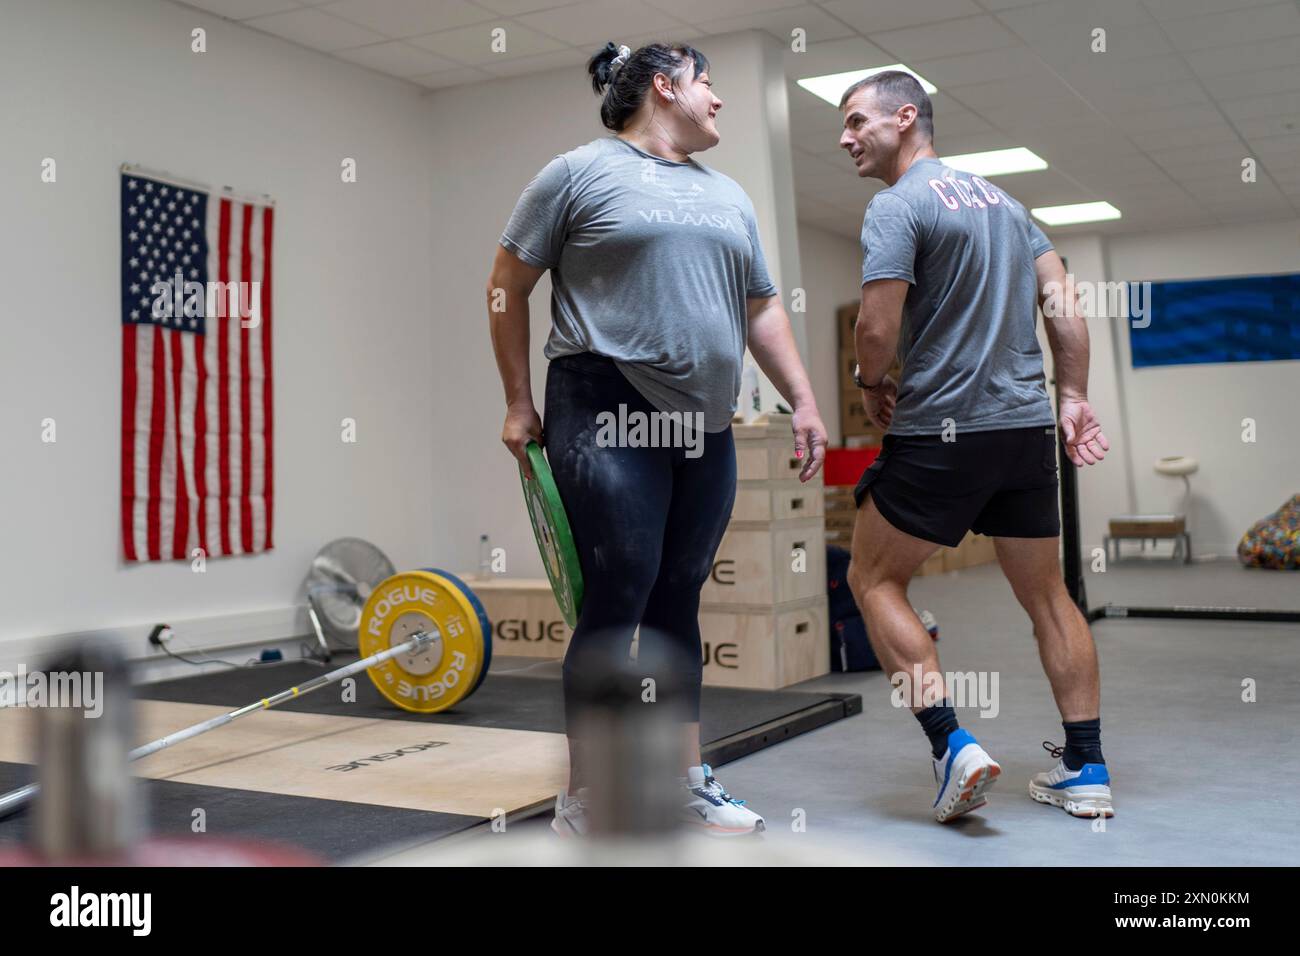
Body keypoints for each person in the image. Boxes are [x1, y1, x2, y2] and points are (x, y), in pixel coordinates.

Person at [487, 41, 828, 836]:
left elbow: (761, 308)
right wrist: (514, 401)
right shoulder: (577, 173)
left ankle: (686, 780)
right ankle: (586, 796)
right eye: (708, 83)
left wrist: (804, 401)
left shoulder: (730, 196)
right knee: (620, 592)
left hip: (702, 421)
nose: (719, 99)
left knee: (680, 595)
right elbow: (507, 284)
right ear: (665, 87)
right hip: (604, 403)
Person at [837, 71, 1113, 822]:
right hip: (1024, 432)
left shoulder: (897, 205)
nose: (846, 135)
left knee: (872, 579)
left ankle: (950, 743)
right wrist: (1074, 396)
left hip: (942, 430)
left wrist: (869, 384)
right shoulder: (1010, 206)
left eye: (858, 119)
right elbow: (1063, 308)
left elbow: (875, 327)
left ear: (907, 117)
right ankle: (1087, 769)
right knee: (1049, 598)